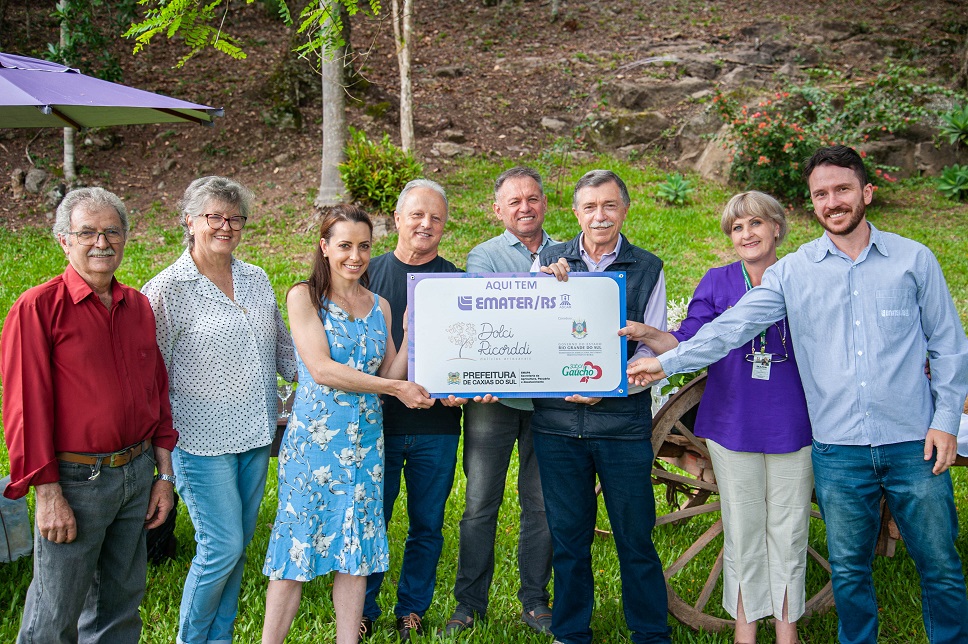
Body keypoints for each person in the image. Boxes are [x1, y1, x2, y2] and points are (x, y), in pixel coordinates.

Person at [630, 145, 968, 644]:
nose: (833, 201)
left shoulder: (913, 260)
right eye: (821, 194)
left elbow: (948, 345)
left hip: (911, 440)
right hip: (837, 446)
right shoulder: (796, 271)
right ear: (812, 204)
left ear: (866, 193)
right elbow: (732, 327)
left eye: (843, 190)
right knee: (850, 572)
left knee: (939, 563)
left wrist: (944, 420)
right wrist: (665, 361)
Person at [620, 191, 812, 644]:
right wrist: (650, 338)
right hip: (731, 421)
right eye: (737, 227)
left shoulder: (804, 277)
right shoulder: (717, 281)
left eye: (755, 224)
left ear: (777, 228)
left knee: (790, 528)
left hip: (795, 420)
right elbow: (688, 342)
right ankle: (745, 632)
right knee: (743, 528)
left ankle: (788, 633)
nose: (746, 234)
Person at [1, 187, 178, 643]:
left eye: (111, 232)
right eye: (87, 233)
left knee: (120, 606)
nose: (101, 243)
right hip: (76, 481)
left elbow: (156, 391)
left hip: (137, 472)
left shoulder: (136, 305)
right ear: (64, 241)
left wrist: (162, 475)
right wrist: (47, 494)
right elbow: (25, 409)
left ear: (124, 239)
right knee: (54, 613)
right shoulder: (37, 308)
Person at [262, 205, 432, 644]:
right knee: (295, 551)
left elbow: (391, 372)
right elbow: (321, 369)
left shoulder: (382, 306)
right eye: (344, 246)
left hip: (365, 447)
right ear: (324, 247)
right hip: (314, 446)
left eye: (363, 246)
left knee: (356, 553)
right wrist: (394, 391)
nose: (355, 256)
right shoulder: (304, 297)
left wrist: (413, 332)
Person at [142, 176, 297, 644]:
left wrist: (344, 373)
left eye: (234, 218)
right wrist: (162, 465)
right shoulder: (165, 291)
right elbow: (153, 381)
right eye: (214, 217)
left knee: (238, 550)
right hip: (198, 443)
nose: (225, 226)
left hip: (256, 435)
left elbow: (285, 354)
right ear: (190, 221)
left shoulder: (255, 278)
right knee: (221, 547)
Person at [532, 169, 672, 644]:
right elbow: (529, 340)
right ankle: (571, 633)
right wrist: (547, 290)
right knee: (569, 541)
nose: (600, 216)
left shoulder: (648, 267)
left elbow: (654, 350)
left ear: (624, 210)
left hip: (622, 425)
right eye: (589, 207)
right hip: (556, 426)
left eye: (609, 206)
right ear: (575, 213)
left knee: (636, 539)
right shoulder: (547, 262)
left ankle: (650, 633)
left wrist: (611, 384)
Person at [443, 167, 555, 635]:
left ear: (545, 202)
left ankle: (535, 601)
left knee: (542, 505)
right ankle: (469, 604)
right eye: (514, 202)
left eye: (532, 198)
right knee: (479, 504)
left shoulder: (569, 254)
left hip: (550, 401)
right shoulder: (483, 256)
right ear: (497, 210)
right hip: (493, 398)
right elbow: (483, 316)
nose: (524, 207)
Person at [362, 179, 464, 640]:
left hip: (438, 426)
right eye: (417, 215)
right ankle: (363, 608)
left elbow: (471, 354)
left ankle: (412, 609)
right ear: (398, 219)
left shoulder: (458, 282)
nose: (426, 224)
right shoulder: (365, 273)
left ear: (444, 225)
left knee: (427, 525)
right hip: (375, 425)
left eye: (436, 217)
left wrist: (465, 386)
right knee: (373, 520)